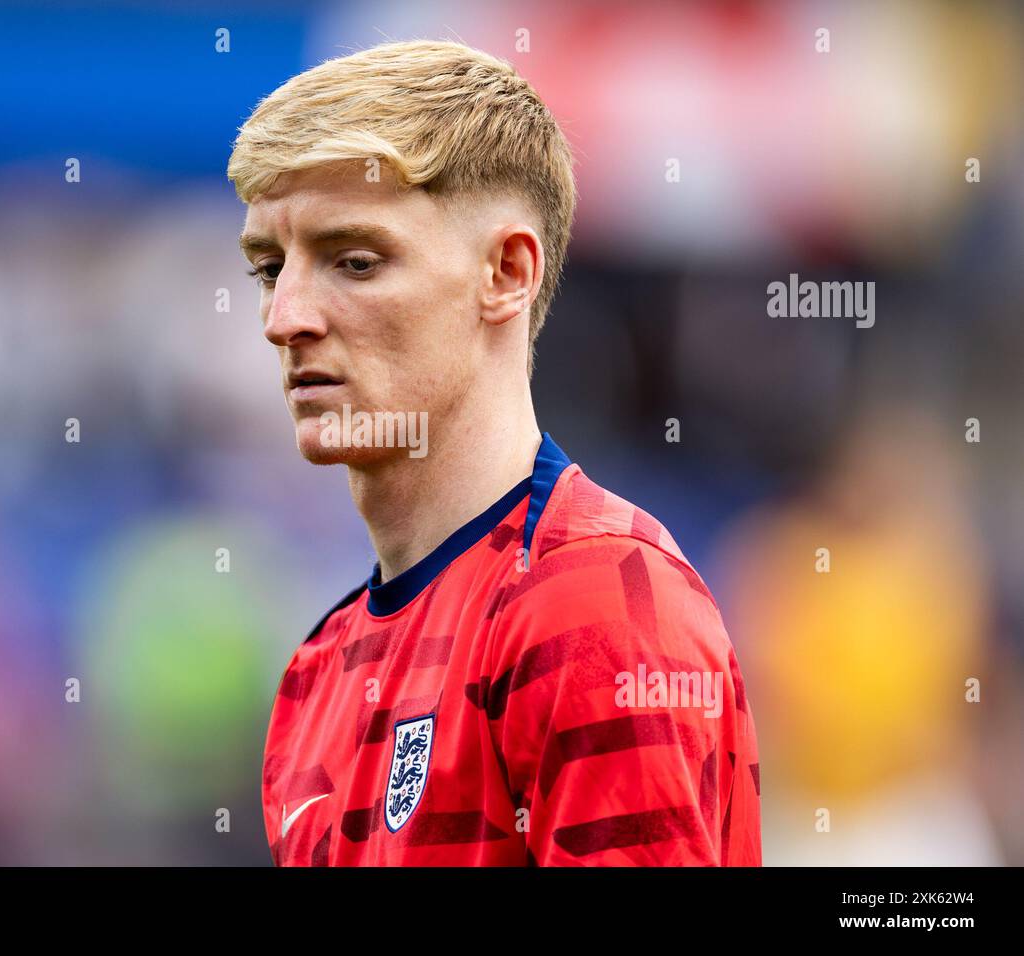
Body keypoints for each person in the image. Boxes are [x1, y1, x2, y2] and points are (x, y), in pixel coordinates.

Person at [228, 39, 761, 865]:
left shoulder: (594, 605)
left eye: (355, 261)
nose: (284, 316)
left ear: (506, 273)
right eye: (270, 267)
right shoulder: (316, 669)